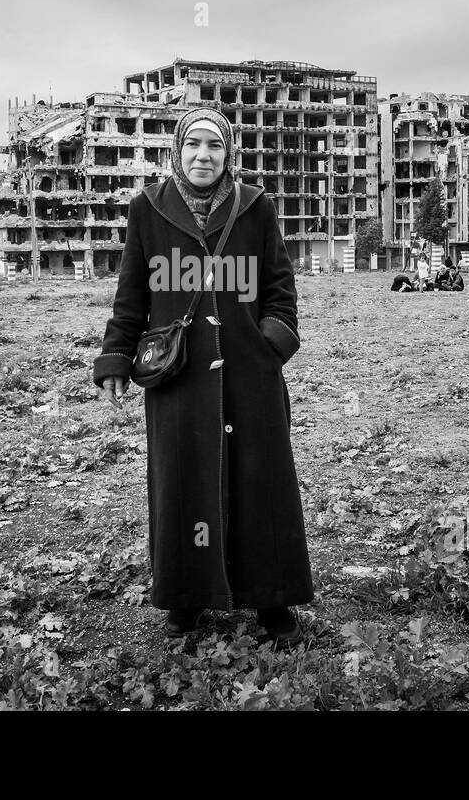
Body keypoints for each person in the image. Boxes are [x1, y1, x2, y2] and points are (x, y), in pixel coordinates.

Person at [93, 106, 312, 645]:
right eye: (193, 144)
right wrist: (116, 357)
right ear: (177, 151)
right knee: (183, 481)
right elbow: (133, 293)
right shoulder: (147, 209)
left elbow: (280, 288)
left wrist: (269, 347)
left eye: (214, 145)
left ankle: (272, 600)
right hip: (180, 378)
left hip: (250, 378)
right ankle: (187, 598)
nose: (203, 156)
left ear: (229, 153)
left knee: (262, 482)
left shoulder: (255, 207)